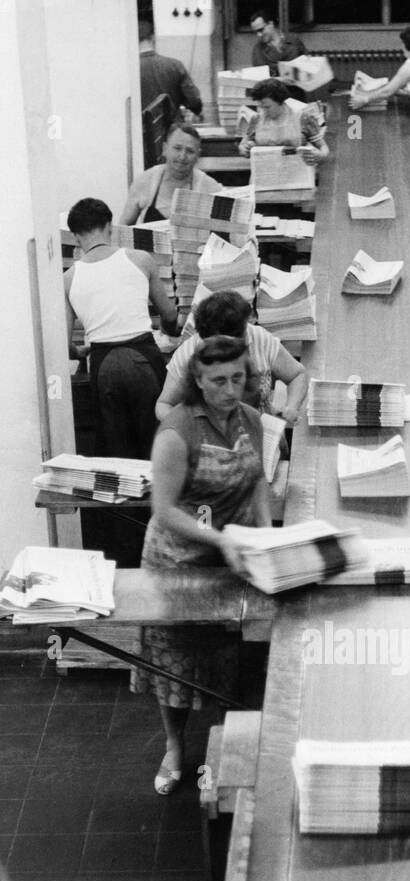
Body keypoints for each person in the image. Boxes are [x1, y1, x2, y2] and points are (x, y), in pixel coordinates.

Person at [131, 335, 271, 795]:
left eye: (238, 377)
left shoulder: (251, 420)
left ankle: (224, 751)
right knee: (174, 661)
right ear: (197, 379)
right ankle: (174, 746)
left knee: (221, 659)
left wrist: (266, 535)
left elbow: (256, 483)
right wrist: (220, 539)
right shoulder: (177, 431)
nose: (231, 389)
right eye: (219, 381)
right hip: (176, 562)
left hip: (225, 560)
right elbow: (165, 509)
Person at [64, 197, 178, 459]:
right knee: (157, 444)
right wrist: (168, 332)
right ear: (109, 226)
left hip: (102, 364)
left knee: (115, 452)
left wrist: (80, 352)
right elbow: (169, 315)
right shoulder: (140, 259)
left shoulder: (68, 279)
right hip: (144, 357)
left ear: (76, 237)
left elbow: (63, 344)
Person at [156, 290, 308, 425]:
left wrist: (292, 407)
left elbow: (297, 374)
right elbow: (163, 405)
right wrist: (188, 427)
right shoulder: (187, 354)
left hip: (262, 432)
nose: (230, 391)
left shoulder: (258, 338)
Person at [119, 123, 223, 226]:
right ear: (164, 149)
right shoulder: (145, 181)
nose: (182, 156)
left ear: (198, 156)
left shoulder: (210, 188)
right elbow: (123, 227)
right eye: (177, 148)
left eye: (190, 151)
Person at [239, 79, 328, 166]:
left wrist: (320, 155)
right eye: (260, 107)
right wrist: (245, 149)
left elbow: (323, 147)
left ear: (281, 102)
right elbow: (243, 145)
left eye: (267, 107)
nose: (264, 111)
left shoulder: (303, 118)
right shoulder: (256, 119)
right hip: (265, 172)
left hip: (296, 174)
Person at [138, 18, 203, 123]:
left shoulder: (129, 72)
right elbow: (194, 102)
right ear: (153, 38)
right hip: (172, 132)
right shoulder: (175, 65)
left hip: (143, 133)